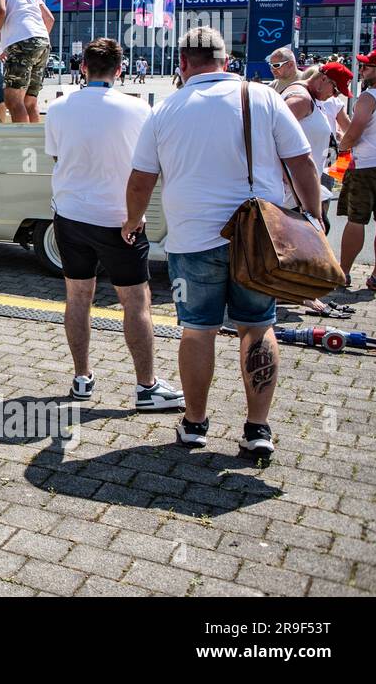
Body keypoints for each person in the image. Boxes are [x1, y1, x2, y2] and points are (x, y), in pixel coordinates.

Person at [124, 27, 321, 462]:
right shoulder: (263, 97)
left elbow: (141, 180)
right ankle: (257, 429)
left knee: (198, 330)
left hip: (192, 240)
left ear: (183, 64)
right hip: (259, 240)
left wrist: (133, 221)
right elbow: (302, 161)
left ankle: (194, 425)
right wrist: (314, 217)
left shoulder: (166, 109)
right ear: (227, 60)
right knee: (257, 325)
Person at [44, 38, 184, 410]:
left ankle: (81, 379)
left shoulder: (57, 109)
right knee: (135, 302)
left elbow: (57, 155)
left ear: (82, 67)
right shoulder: (140, 109)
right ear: (121, 70)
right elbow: (147, 165)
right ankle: (146, 387)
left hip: (70, 215)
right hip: (120, 219)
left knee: (77, 297)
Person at [281, 62, 354, 317]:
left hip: (302, 182)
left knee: (305, 237)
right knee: (305, 239)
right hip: (291, 185)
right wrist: (284, 175)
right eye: (335, 89)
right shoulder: (300, 98)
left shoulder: (312, 98)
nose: (335, 95)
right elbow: (269, 133)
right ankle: (305, 294)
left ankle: (301, 292)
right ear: (322, 78)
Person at [337, 50, 376, 289]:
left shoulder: (368, 97)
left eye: (366, 67)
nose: (361, 71)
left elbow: (354, 133)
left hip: (365, 166)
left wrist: (342, 146)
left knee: (356, 220)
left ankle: (343, 273)